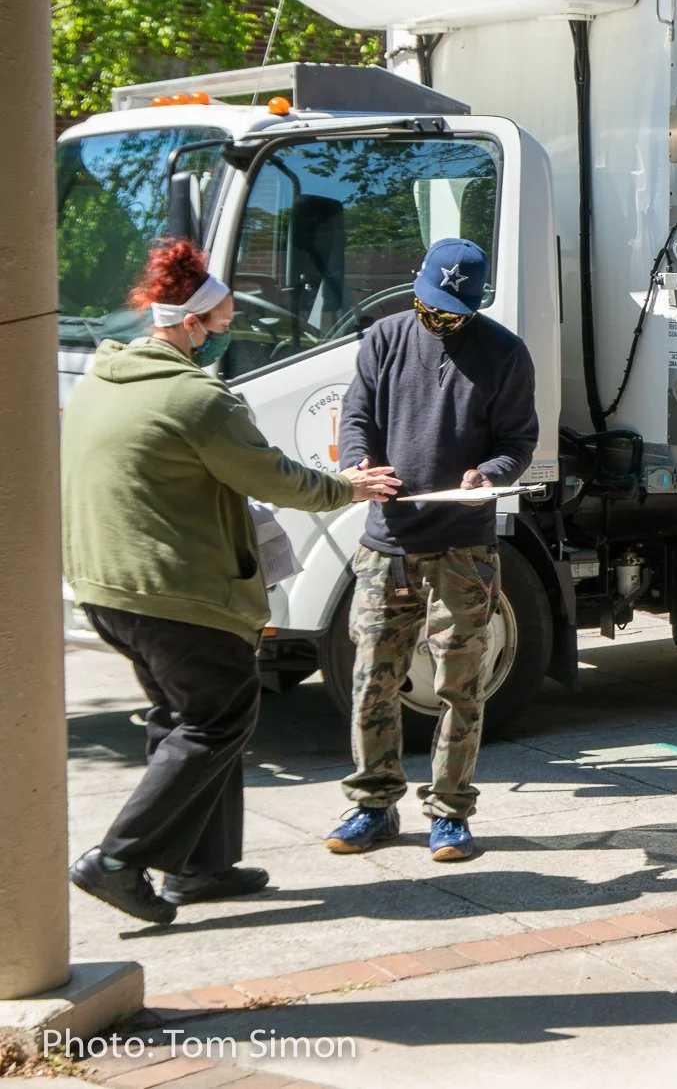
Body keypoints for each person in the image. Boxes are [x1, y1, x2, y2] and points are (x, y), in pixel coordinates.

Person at [63, 240, 401, 925]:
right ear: (188, 323)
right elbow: (274, 477)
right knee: (219, 717)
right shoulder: (197, 400)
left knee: (179, 717)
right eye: (218, 326)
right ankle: (119, 861)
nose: (222, 338)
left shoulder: (101, 379)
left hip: (106, 588)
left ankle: (201, 867)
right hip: (175, 594)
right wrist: (350, 486)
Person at [327, 238, 537, 863]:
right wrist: (362, 461)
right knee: (372, 680)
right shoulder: (385, 336)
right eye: (429, 305)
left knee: (461, 685)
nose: (437, 319)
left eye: (451, 312)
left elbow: (517, 440)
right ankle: (372, 804)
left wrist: (488, 475)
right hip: (386, 541)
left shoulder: (505, 353)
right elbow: (356, 414)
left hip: (462, 550)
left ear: (474, 305)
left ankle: (450, 811)